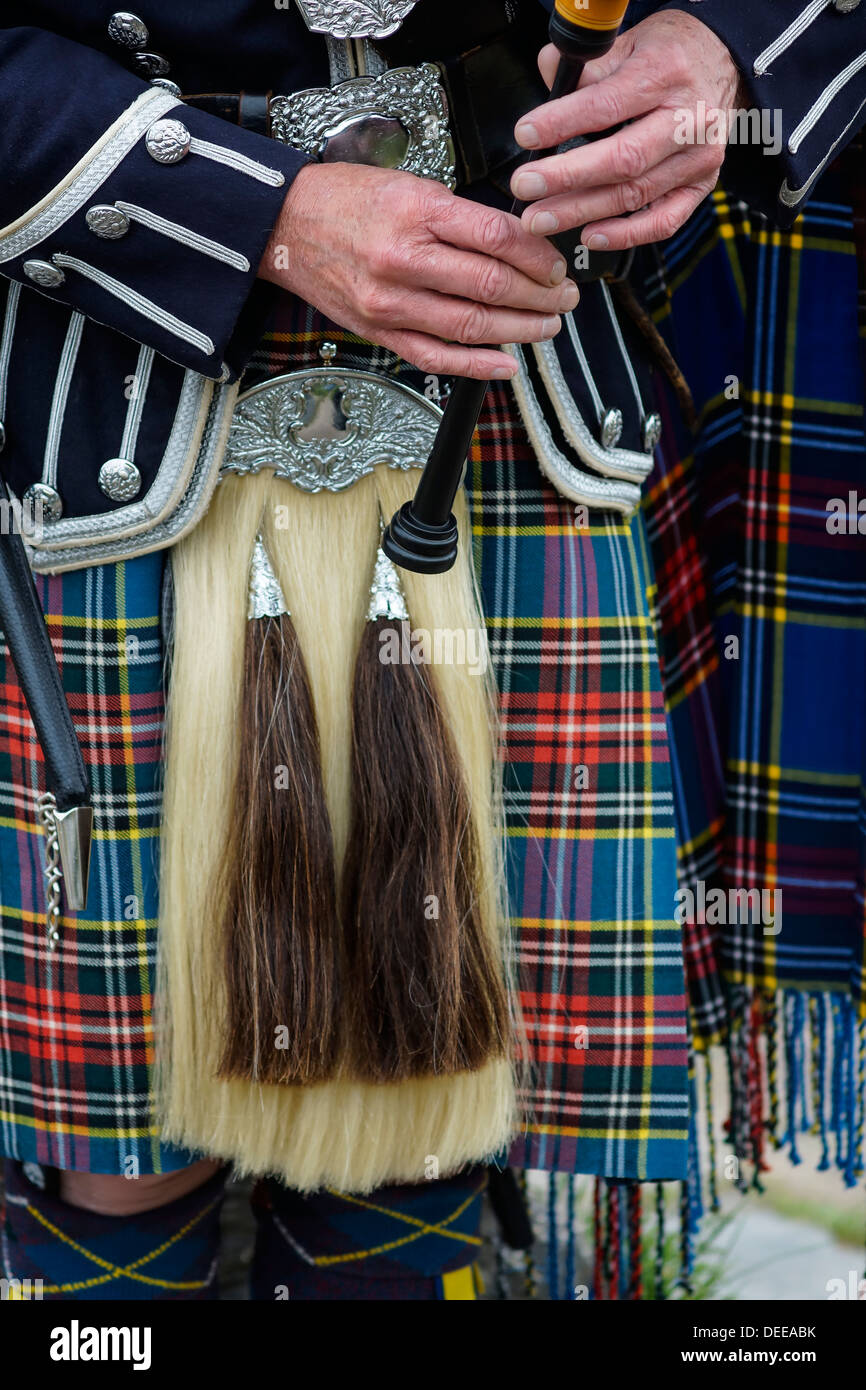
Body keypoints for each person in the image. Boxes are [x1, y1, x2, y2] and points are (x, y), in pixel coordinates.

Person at [0, 0, 863, 1302]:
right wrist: (255, 213)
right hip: (105, 374)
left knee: (436, 1102)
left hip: (528, 369)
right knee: (113, 1138)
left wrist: (722, 44)